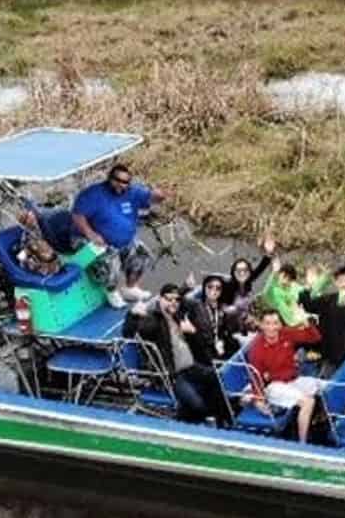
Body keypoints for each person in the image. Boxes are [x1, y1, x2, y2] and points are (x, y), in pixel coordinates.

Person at [122, 283, 231, 427]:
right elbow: (129, 333)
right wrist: (132, 315)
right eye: (168, 299)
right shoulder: (153, 321)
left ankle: (222, 418)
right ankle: (187, 420)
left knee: (217, 377)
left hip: (190, 366)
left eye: (177, 300)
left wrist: (185, 287)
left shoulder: (177, 315)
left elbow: (183, 300)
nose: (173, 302)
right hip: (172, 375)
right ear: (160, 300)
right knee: (198, 405)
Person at [72, 163, 167, 308]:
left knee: (141, 254)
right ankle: (111, 292)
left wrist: (159, 196)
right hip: (94, 240)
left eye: (125, 182)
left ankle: (130, 288)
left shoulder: (133, 192)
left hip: (124, 240)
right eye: (118, 180)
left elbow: (151, 198)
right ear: (110, 178)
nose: (121, 185)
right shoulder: (93, 194)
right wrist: (90, 234)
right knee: (110, 262)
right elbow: (77, 215)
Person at [245, 308, 324, 444]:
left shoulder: (286, 333)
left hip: (293, 380)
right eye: (268, 323)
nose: (272, 327)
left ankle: (319, 425)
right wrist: (258, 400)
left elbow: (315, 337)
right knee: (308, 401)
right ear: (262, 325)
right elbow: (255, 376)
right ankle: (302, 444)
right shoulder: (256, 349)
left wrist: (304, 320)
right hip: (273, 387)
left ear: (280, 324)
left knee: (328, 388)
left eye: (275, 323)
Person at [299, 264, 345, 375]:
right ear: (336, 283)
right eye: (340, 281)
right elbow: (308, 306)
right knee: (326, 385)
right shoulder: (328, 299)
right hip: (328, 356)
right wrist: (308, 285)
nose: (343, 284)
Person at [182, 273, 239, 366]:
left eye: (218, 288)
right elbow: (179, 300)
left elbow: (223, 332)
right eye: (210, 287)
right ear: (204, 288)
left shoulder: (221, 309)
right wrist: (186, 287)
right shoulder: (195, 305)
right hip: (202, 352)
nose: (214, 290)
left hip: (219, 349)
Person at [262, 259, 330, 330]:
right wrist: (274, 273)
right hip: (293, 323)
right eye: (284, 276)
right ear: (279, 275)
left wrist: (323, 278)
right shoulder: (274, 292)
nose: (286, 281)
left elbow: (311, 292)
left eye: (289, 279)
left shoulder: (294, 287)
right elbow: (266, 292)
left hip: (305, 318)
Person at [222, 233, 277, 316]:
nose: (242, 273)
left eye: (245, 270)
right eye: (238, 270)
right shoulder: (228, 286)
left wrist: (269, 253)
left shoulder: (247, 282)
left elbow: (259, 269)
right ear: (233, 272)